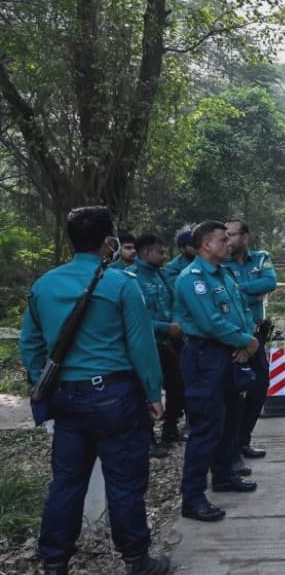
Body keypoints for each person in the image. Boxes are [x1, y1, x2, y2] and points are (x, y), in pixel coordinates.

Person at [19, 206, 170, 575]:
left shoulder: (45, 285)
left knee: (67, 482)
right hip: (115, 397)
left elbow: (30, 344)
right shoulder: (120, 284)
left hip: (67, 399)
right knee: (124, 481)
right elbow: (141, 345)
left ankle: (54, 563)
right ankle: (136, 559)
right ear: (109, 242)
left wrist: (44, 378)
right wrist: (154, 393)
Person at [175, 220, 259, 523]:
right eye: (223, 240)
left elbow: (243, 310)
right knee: (205, 427)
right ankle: (193, 497)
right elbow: (211, 322)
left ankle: (224, 475)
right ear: (206, 245)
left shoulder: (225, 274)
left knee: (230, 419)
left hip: (231, 353)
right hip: (205, 356)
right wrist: (246, 341)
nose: (229, 243)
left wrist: (245, 339)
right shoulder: (192, 279)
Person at [223, 219, 277, 470]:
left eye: (231, 235)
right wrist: (250, 292)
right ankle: (229, 452)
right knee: (232, 395)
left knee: (260, 386)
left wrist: (238, 289)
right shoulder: (222, 262)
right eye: (225, 235)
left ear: (245, 236)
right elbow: (225, 294)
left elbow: (269, 283)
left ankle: (243, 440)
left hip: (256, 334)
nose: (228, 239)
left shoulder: (261, 258)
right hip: (232, 337)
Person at [128, 233, 187, 447]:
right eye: (160, 252)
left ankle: (170, 430)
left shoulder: (160, 275)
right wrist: (165, 327)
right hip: (146, 345)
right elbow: (135, 320)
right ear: (145, 252)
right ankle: (148, 439)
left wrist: (176, 323)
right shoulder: (131, 278)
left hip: (168, 342)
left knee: (178, 385)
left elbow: (176, 303)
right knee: (145, 390)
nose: (164, 256)